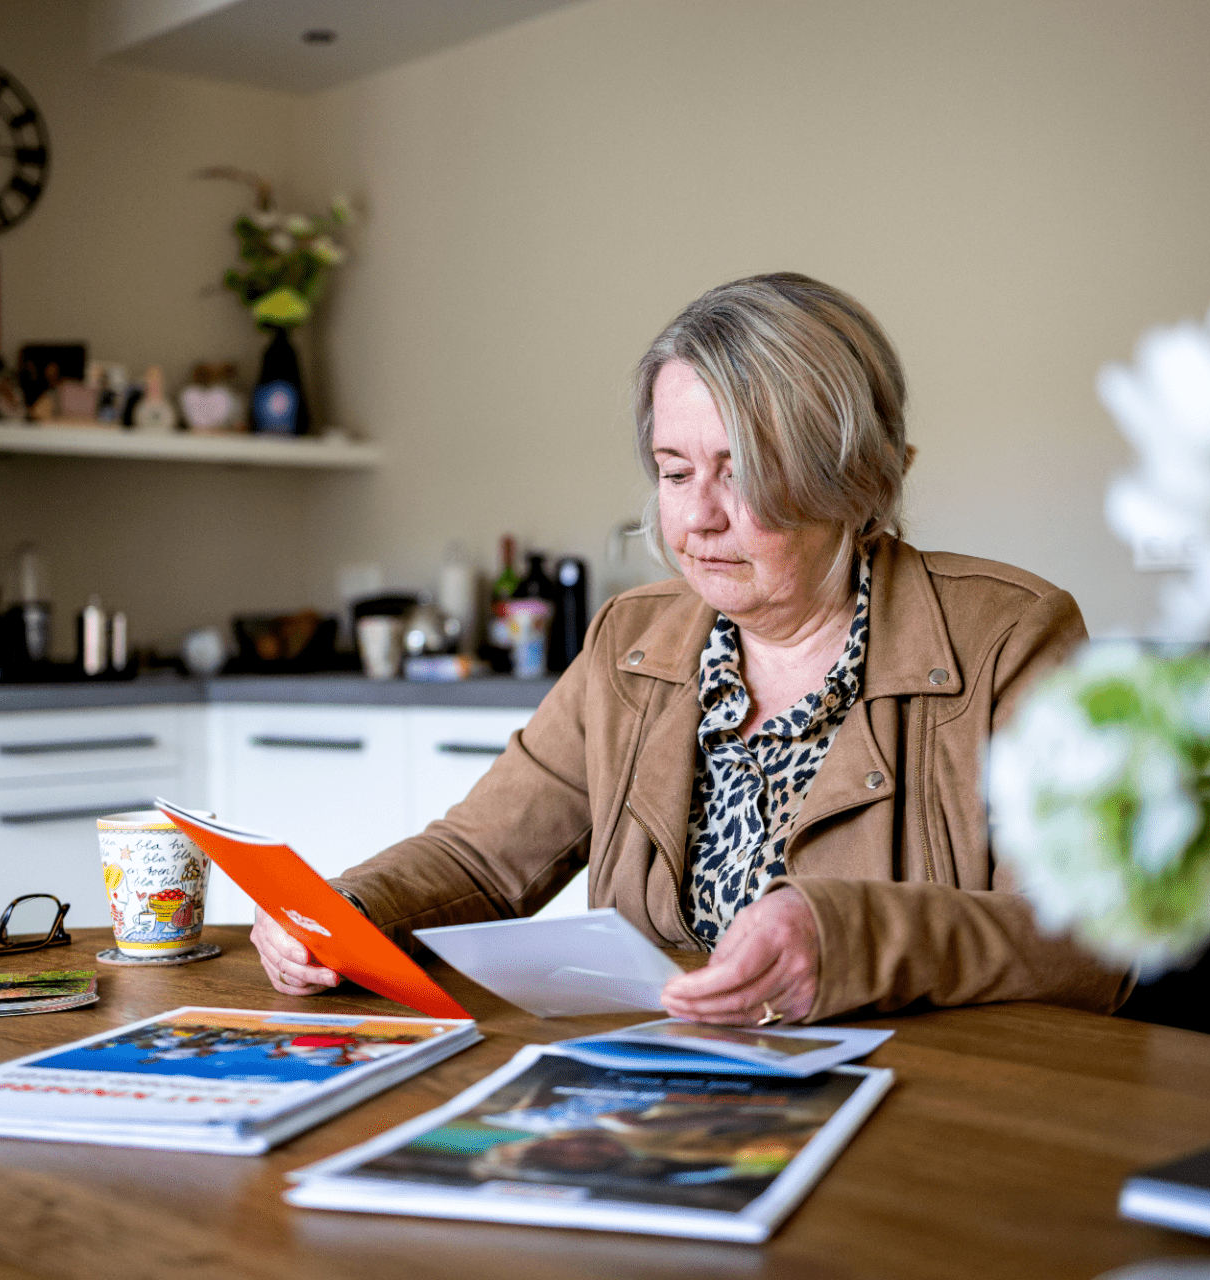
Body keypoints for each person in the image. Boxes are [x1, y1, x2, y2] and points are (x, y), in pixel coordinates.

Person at [252, 272, 1132, 1024]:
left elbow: (1087, 946)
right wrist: (344, 908)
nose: (698, 518)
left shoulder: (1010, 637)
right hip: (663, 1090)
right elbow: (479, 858)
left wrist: (847, 938)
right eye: (675, 472)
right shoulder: (632, 641)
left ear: (853, 478)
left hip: (922, 1106)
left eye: (742, 471)